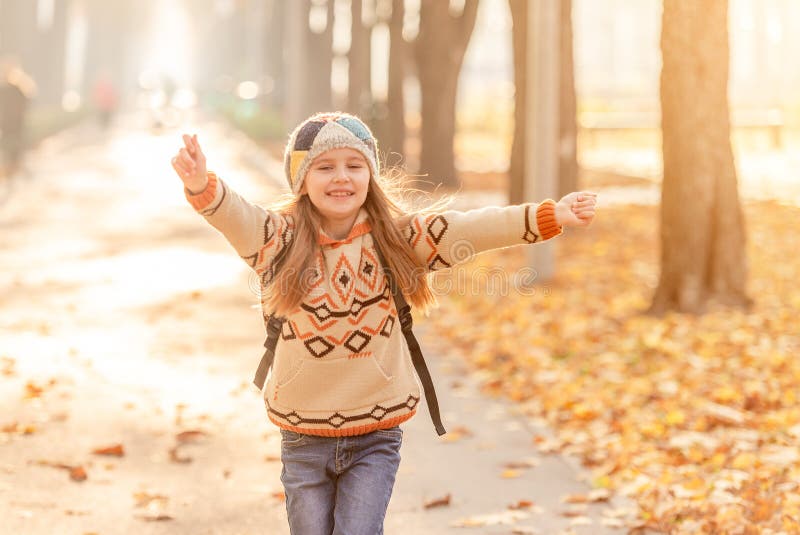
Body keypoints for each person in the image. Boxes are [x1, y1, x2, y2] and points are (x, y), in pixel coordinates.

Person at [170, 112, 597, 534]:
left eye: (354, 166)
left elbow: (474, 227)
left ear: (370, 175)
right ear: (301, 180)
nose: (342, 177)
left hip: (375, 434)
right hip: (303, 435)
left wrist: (551, 216)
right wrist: (201, 184)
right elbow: (235, 215)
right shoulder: (277, 240)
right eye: (325, 167)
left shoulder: (399, 239)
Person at [0, 58, 35, 177]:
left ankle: (13, 172)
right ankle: (11, 172)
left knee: (14, 152)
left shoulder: (20, 89)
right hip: (9, 126)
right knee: (10, 152)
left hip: (14, 126)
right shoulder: (7, 89)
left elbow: (25, 106)